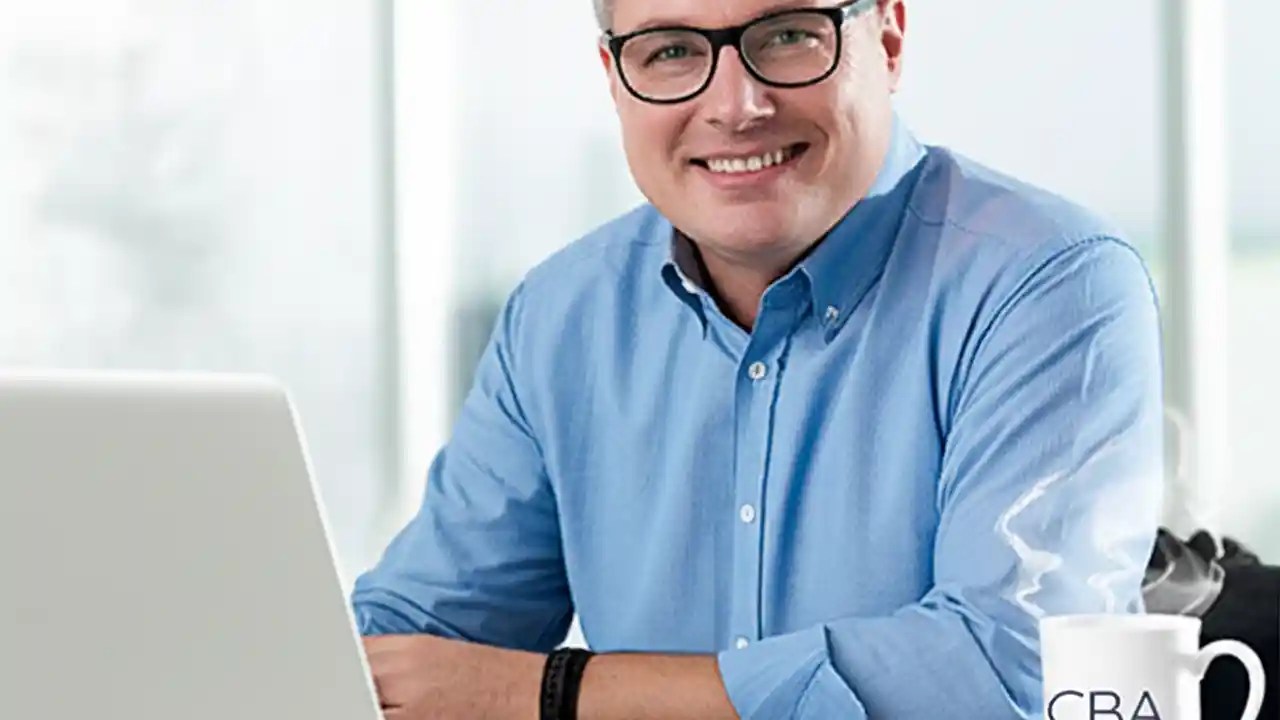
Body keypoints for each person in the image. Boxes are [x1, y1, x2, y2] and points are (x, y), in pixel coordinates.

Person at [351, 0, 1165, 717]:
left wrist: (550, 697)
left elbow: (1012, 671)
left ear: (888, 38)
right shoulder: (563, 314)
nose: (736, 105)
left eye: (787, 35)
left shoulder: (1051, 281)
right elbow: (423, 644)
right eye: (670, 50)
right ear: (613, 75)